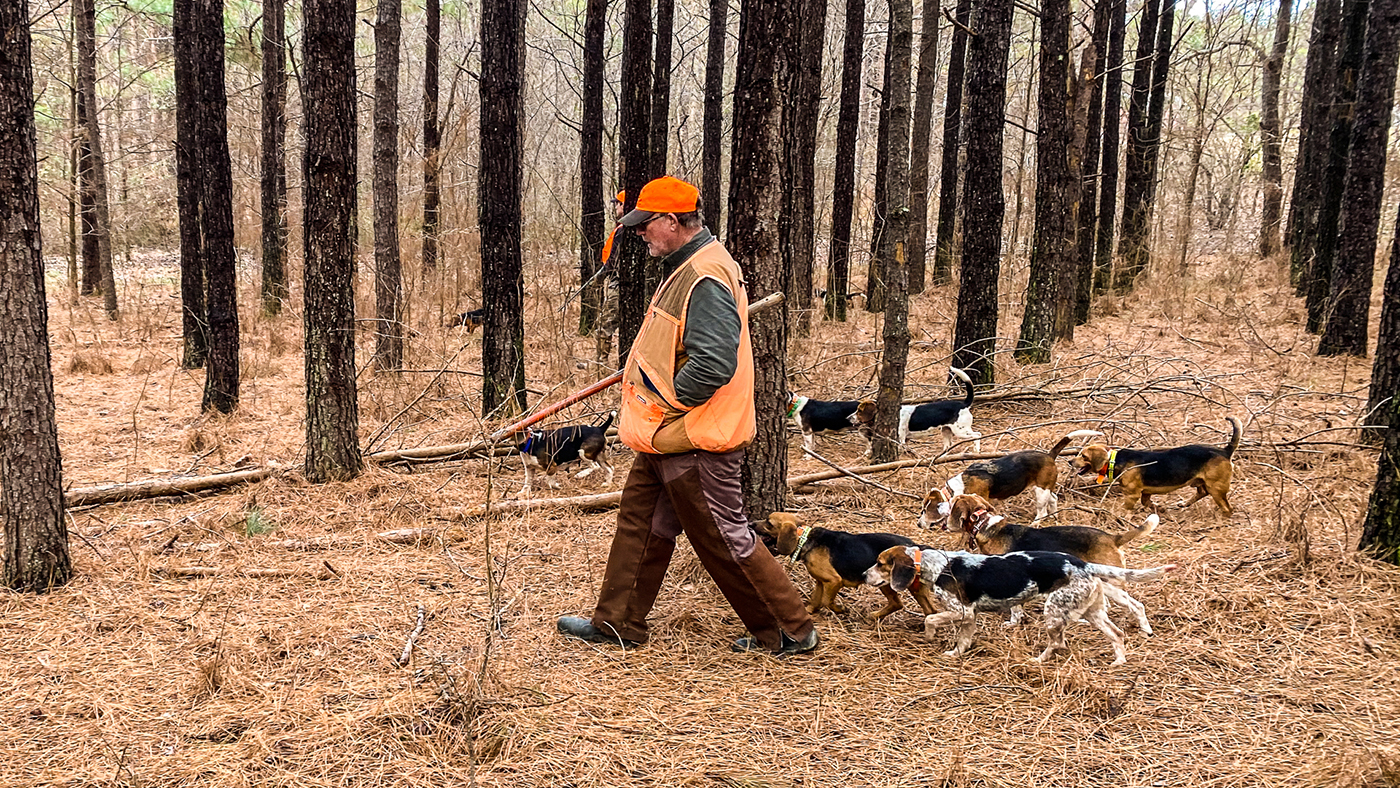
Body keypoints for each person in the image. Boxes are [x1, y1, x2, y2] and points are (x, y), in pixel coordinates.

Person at [557, 176, 819, 656]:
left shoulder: (705, 275)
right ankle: (617, 623)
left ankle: (789, 630)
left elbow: (714, 364)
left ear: (671, 221)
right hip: (664, 436)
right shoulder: (688, 266)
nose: (639, 235)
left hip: (693, 435)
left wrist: (669, 405)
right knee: (640, 525)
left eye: (644, 226)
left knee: (724, 534)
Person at [593, 191, 624, 365]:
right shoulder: (622, 228)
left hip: (618, 285)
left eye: (618, 203)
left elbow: (613, 260)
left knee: (606, 323)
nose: (616, 207)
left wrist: (603, 274)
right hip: (615, 281)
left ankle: (601, 364)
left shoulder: (624, 230)